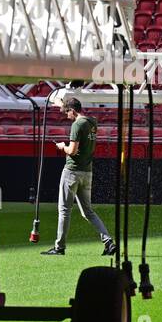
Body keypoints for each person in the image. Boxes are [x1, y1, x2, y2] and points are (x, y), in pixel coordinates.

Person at [41, 96, 116, 256]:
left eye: (67, 113)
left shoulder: (77, 125)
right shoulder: (92, 122)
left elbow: (73, 150)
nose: (66, 116)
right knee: (88, 211)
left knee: (64, 210)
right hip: (87, 172)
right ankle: (108, 241)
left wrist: (62, 147)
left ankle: (59, 247)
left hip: (72, 172)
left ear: (73, 111)